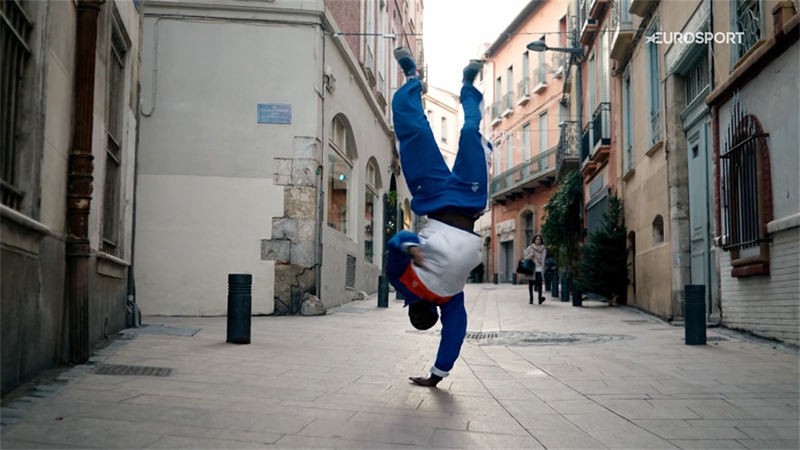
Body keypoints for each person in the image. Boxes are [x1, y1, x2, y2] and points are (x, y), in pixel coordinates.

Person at [386, 47, 491, 388]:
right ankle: (467, 84)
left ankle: (412, 79)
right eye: (423, 320)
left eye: (414, 317)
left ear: (410, 309)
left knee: (414, 131)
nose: (419, 315)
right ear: (432, 316)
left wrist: (409, 247)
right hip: (468, 199)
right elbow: (456, 331)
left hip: (431, 196)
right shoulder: (450, 297)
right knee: (470, 133)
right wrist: (437, 374)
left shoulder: (401, 281)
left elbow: (396, 241)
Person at [523, 235, 548, 304]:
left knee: (539, 284)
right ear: (534, 240)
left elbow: (545, 259)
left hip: (540, 268)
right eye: (537, 239)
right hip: (532, 269)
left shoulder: (543, 249)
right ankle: (531, 298)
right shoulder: (530, 248)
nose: (538, 240)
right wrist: (531, 255)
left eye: (539, 239)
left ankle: (540, 298)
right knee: (531, 284)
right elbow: (525, 258)